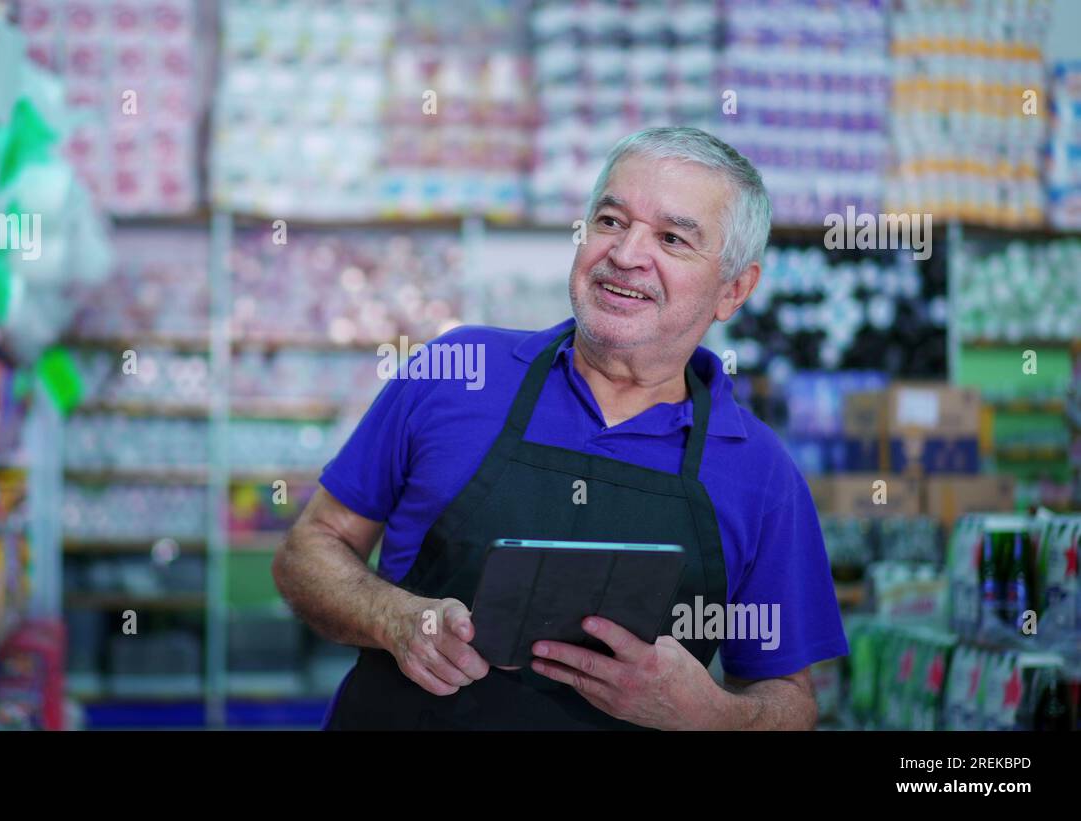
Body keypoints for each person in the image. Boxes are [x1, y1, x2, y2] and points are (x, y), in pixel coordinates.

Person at [273, 126, 849, 730]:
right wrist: (393, 620)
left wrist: (712, 716)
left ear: (733, 289)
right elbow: (308, 551)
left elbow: (791, 700)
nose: (626, 255)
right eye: (610, 221)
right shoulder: (458, 371)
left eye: (673, 238)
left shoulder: (761, 473)